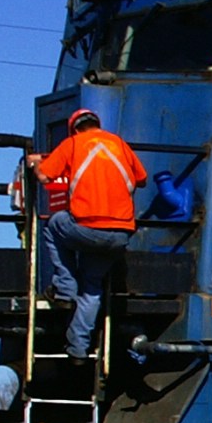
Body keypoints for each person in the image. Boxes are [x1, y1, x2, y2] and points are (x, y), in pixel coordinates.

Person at [27, 109, 147, 364]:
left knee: (54, 223)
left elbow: (44, 176)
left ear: (74, 128)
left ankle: (65, 289)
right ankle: (78, 349)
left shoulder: (72, 144)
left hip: (86, 228)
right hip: (120, 234)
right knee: (92, 288)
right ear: (96, 125)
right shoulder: (119, 145)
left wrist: (36, 161)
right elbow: (142, 178)